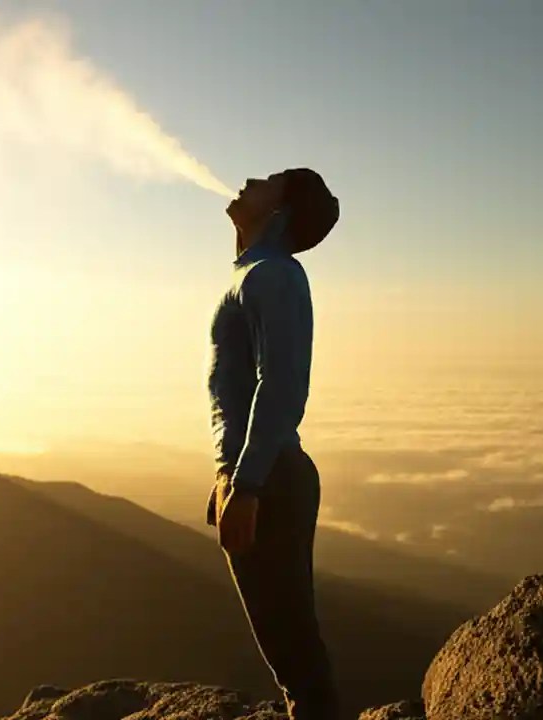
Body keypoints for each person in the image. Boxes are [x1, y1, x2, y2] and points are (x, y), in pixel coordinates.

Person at [205, 168, 340, 720]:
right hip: (261, 475)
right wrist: (225, 471)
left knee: (294, 656)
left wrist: (247, 483)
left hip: (271, 480)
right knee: (288, 650)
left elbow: (280, 384)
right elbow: (232, 391)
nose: (249, 179)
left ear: (279, 214)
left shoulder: (275, 276)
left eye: (268, 181)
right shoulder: (255, 275)